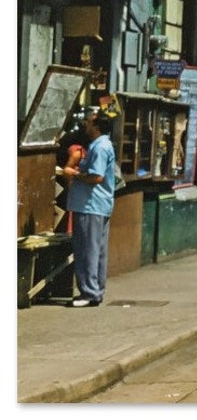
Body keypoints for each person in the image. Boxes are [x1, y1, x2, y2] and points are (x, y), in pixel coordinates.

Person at [61, 106, 116, 307]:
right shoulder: (101, 144)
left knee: (86, 249)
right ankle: (96, 290)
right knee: (97, 250)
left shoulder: (99, 147)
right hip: (98, 204)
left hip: (90, 204)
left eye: (89, 121)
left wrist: (73, 173)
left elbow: (96, 177)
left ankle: (88, 293)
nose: (86, 123)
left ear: (97, 126)